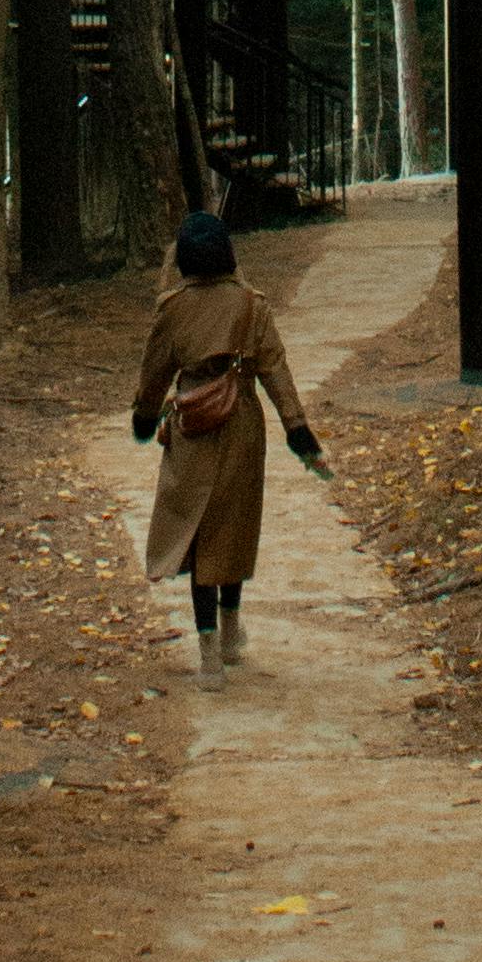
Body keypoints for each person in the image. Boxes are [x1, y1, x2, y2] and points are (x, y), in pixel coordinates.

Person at [132, 207, 326, 677]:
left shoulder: (172, 308)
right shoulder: (251, 305)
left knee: (197, 531)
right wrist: (298, 429)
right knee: (233, 528)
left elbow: (155, 370)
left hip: (192, 425)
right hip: (241, 421)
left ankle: (208, 652)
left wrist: (144, 417)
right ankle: (233, 627)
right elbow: (275, 369)